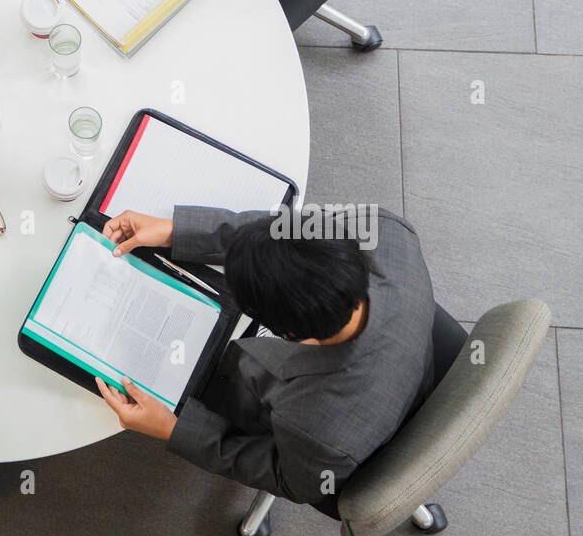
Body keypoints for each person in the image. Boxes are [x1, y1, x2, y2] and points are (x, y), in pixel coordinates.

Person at [94, 205, 436, 516]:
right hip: (409, 356)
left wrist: (173, 429)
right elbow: (288, 233)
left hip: (331, 439)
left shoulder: (319, 429)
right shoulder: (388, 234)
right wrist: (175, 230)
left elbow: (287, 479)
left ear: (286, 332)